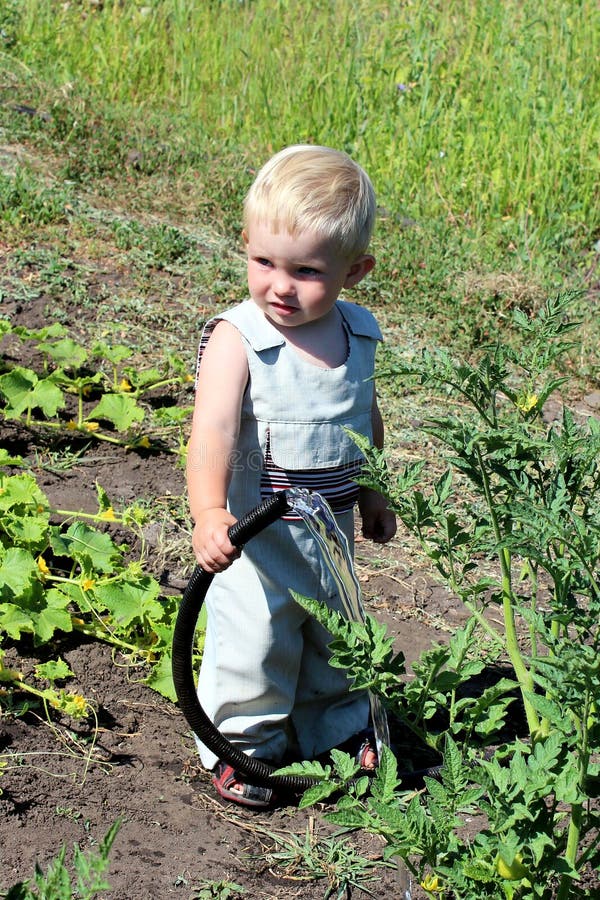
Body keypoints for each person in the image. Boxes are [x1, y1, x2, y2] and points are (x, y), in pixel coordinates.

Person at [186, 145, 396, 808]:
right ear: (245, 244)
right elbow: (213, 431)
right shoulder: (240, 338)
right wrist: (208, 513)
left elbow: (366, 415)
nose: (280, 285)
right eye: (264, 262)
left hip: (330, 537)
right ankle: (243, 746)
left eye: (306, 271)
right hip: (257, 542)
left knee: (336, 636)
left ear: (354, 271)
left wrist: (375, 488)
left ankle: (332, 731)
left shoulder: (356, 334)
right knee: (256, 640)